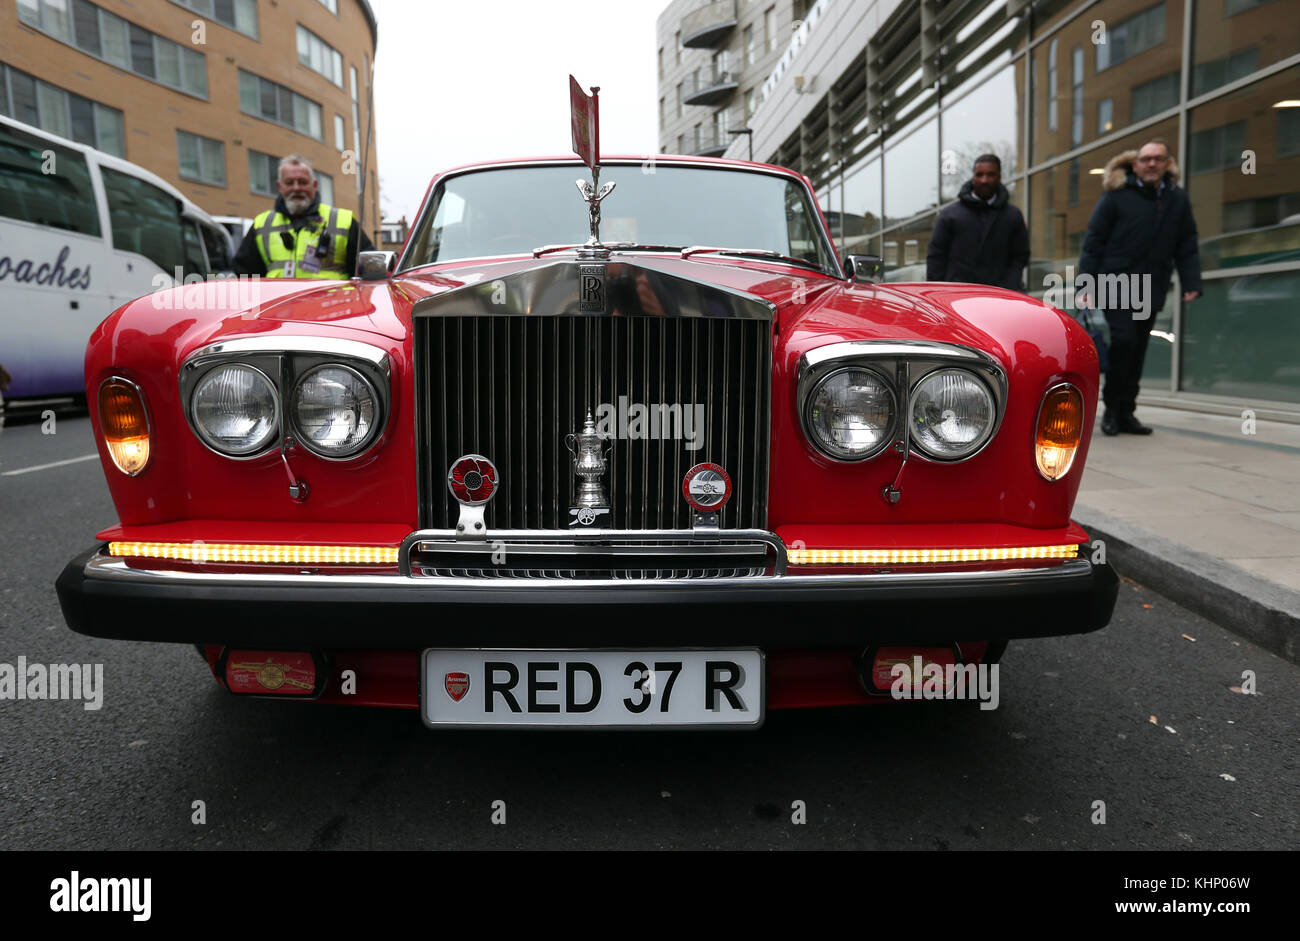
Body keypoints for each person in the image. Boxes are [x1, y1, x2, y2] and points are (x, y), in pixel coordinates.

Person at [1078, 138, 1201, 436]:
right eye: (1146, 159)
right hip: (1116, 283)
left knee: (1138, 351)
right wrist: (1086, 283)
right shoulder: (1116, 196)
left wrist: (1191, 281)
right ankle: (1111, 410)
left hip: (1152, 286)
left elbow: (1187, 244)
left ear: (1167, 164)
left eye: (1158, 159)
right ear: (1135, 164)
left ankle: (1127, 413)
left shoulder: (1177, 199)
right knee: (1124, 342)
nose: (1151, 164)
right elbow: (1093, 242)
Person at [232, 155, 374, 279]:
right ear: (279, 186)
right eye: (289, 183)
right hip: (280, 308)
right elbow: (245, 277)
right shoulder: (261, 225)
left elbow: (370, 271)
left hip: (331, 308)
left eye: (302, 182)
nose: (296, 188)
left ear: (314, 185)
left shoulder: (344, 221)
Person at [926, 154, 1029, 291]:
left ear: (999, 177)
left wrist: (1010, 286)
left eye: (990, 175)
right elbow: (936, 258)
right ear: (973, 177)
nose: (984, 180)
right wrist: (938, 295)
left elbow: (1020, 257)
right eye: (979, 175)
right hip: (958, 298)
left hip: (1002, 298)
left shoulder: (1013, 216)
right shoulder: (949, 215)